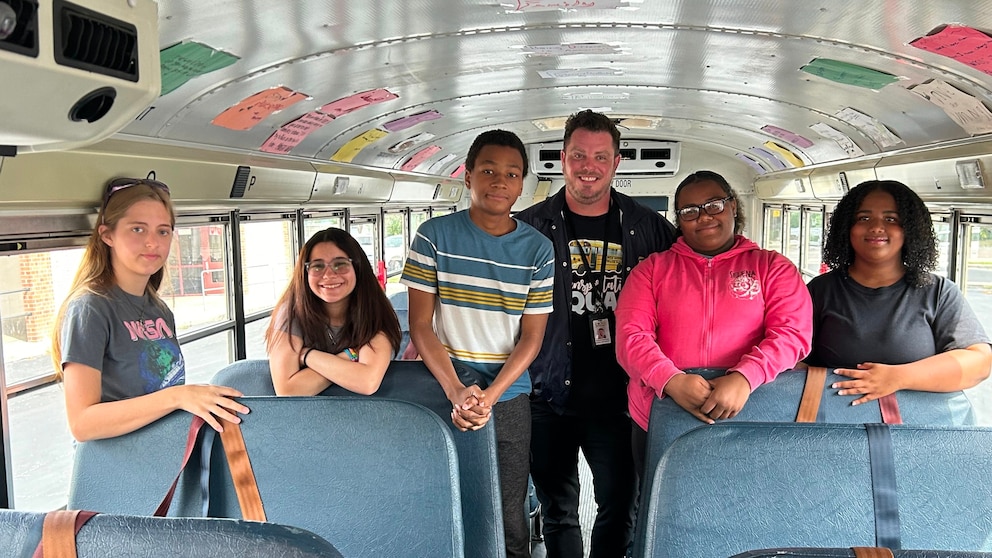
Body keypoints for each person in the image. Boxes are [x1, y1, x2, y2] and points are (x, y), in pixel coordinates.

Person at [515, 109, 677, 558]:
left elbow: (687, 286)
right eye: (579, 155)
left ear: (616, 162)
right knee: (558, 511)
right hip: (547, 394)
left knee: (620, 507)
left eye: (600, 156)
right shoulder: (528, 228)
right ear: (562, 159)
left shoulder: (650, 228)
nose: (589, 166)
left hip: (621, 397)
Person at [401, 129, 555, 558]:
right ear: (467, 176)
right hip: (445, 388)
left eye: (511, 173)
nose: (499, 181)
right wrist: (456, 390)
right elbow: (421, 325)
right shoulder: (433, 237)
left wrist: (489, 396)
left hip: (507, 394)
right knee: (447, 500)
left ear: (522, 183)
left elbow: (532, 337)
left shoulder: (538, 250)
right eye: (488, 170)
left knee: (509, 513)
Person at [615, 170, 813, 480]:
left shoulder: (772, 267)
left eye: (714, 204)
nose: (704, 217)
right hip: (663, 411)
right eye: (689, 211)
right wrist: (670, 380)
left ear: (733, 206)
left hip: (752, 410)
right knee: (657, 512)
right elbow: (631, 338)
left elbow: (792, 334)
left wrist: (745, 377)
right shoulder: (651, 271)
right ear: (679, 220)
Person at [51, 177, 249, 442]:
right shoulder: (90, 308)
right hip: (118, 468)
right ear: (107, 234)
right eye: (137, 229)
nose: (152, 242)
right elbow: (82, 423)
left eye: (163, 231)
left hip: (162, 456)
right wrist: (178, 397)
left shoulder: (159, 309)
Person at [806, 179, 991, 404]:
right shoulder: (819, 290)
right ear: (847, 227)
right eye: (864, 218)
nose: (876, 227)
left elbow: (980, 362)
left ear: (909, 230)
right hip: (835, 423)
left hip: (918, 429)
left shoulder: (939, 292)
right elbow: (793, 358)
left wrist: (898, 377)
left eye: (891, 219)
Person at [266, 227, 402, 396]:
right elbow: (288, 390)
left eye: (340, 264)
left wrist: (308, 355)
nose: (329, 275)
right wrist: (350, 356)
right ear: (305, 273)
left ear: (357, 268)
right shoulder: (291, 313)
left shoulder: (374, 310)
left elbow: (367, 381)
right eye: (318, 266)